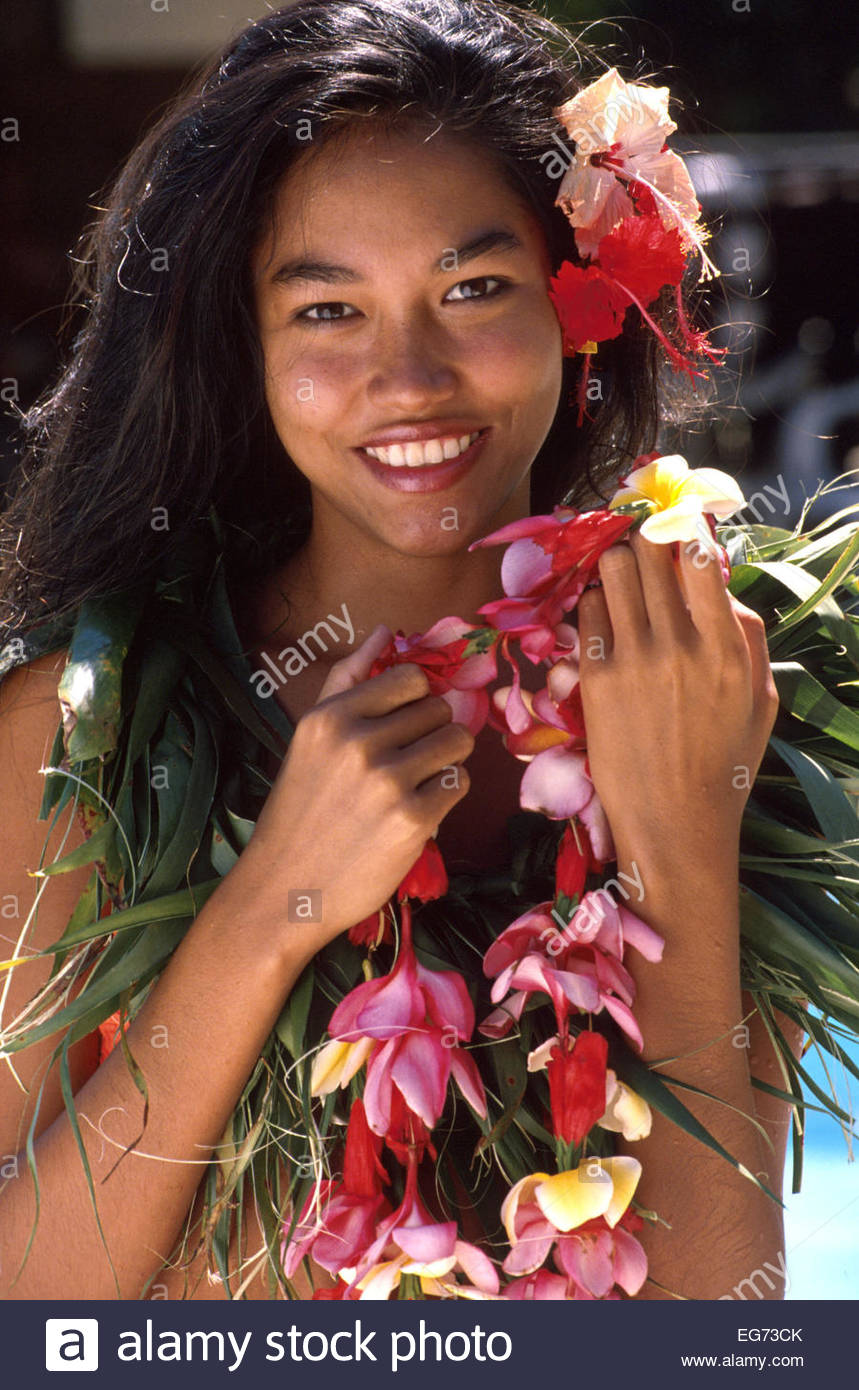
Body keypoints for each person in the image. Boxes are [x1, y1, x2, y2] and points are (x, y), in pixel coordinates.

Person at [0, 0, 803, 1300]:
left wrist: (680, 853)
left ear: (579, 307)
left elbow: (736, 1339)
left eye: (475, 288)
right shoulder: (75, 738)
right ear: (242, 345)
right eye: (328, 312)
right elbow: (25, 1315)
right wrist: (273, 905)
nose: (411, 374)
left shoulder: (712, 682)